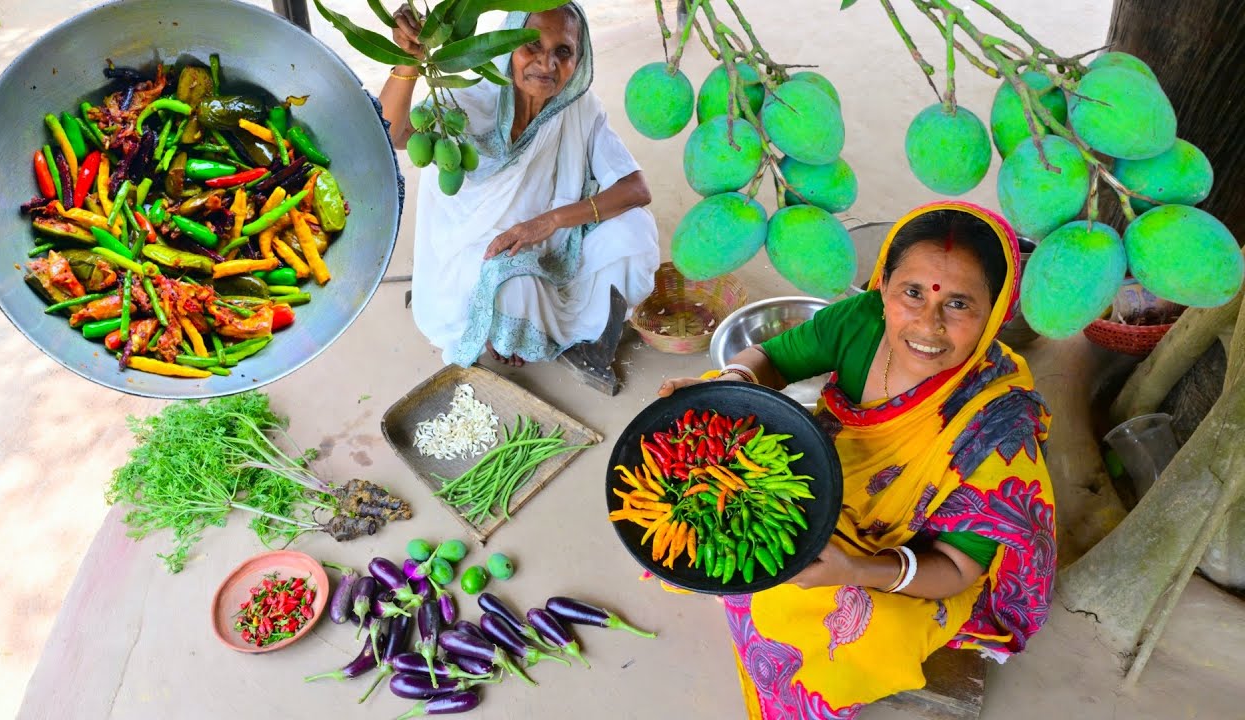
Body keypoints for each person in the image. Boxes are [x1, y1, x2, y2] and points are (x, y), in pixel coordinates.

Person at [658, 201, 1056, 718]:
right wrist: (729, 385)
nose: (928, 323)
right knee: (696, 499)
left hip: (910, 559)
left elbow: (957, 568)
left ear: (996, 312)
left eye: (958, 304)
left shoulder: (996, 427)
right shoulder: (860, 321)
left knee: (836, 634)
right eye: (912, 293)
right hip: (819, 483)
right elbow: (771, 358)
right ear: (883, 286)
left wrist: (855, 569)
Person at [379, 2, 659, 393]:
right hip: (477, 253)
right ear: (508, 45)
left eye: (563, 51)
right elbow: (393, 133)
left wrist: (549, 222)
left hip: (552, 244)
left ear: (579, 59)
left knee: (633, 232)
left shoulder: (579, 108)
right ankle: (503, 328)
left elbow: (636, 189)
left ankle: (565, 333)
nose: (547, 63)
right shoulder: (467, 100)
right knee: (512, 286)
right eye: (532, 45)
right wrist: (408, 61)